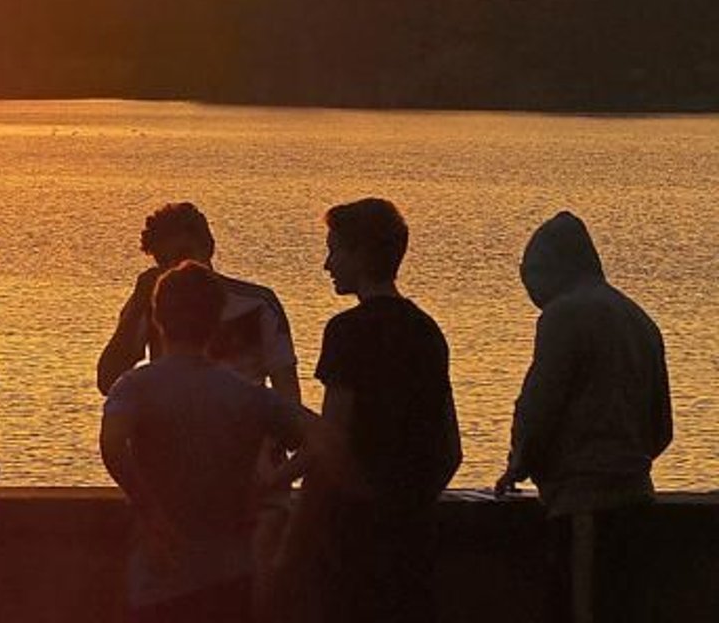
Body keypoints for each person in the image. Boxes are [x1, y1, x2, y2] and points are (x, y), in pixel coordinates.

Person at [101, 262, 313, 623]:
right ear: (216, 322)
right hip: (230, 575)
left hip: (157, 576)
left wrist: (150, 511)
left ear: (158, 319)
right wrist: (270, 485)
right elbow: (322, 441)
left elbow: (112, 446)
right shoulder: (246, 395)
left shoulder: (134, 387)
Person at [281, 198, 460, 623]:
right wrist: (409, 506)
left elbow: (332, 440)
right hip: (413, 533)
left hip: (353, 536)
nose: (327, 264)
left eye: (334, 250)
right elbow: (450, 449)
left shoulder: (347, 332)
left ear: (360, 254)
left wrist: (274, 481)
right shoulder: (426, 331)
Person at [494, 211, 672, 623]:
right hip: (639, 502)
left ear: (550, 269)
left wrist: (519, 464)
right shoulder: (639, 320)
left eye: (531, 279)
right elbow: (662, 427)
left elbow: (539, 405)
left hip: (585, 507)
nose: (532, 295)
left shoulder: (564, 316)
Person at [96, 203, 299, 399]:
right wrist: (138, 305)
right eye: (164, 262)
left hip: (242, 418)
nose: (177, 268)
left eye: (184, 255)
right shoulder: (151, 304)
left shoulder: (257, 304)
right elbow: (107, 381)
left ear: (208, 247)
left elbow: (288, 395)